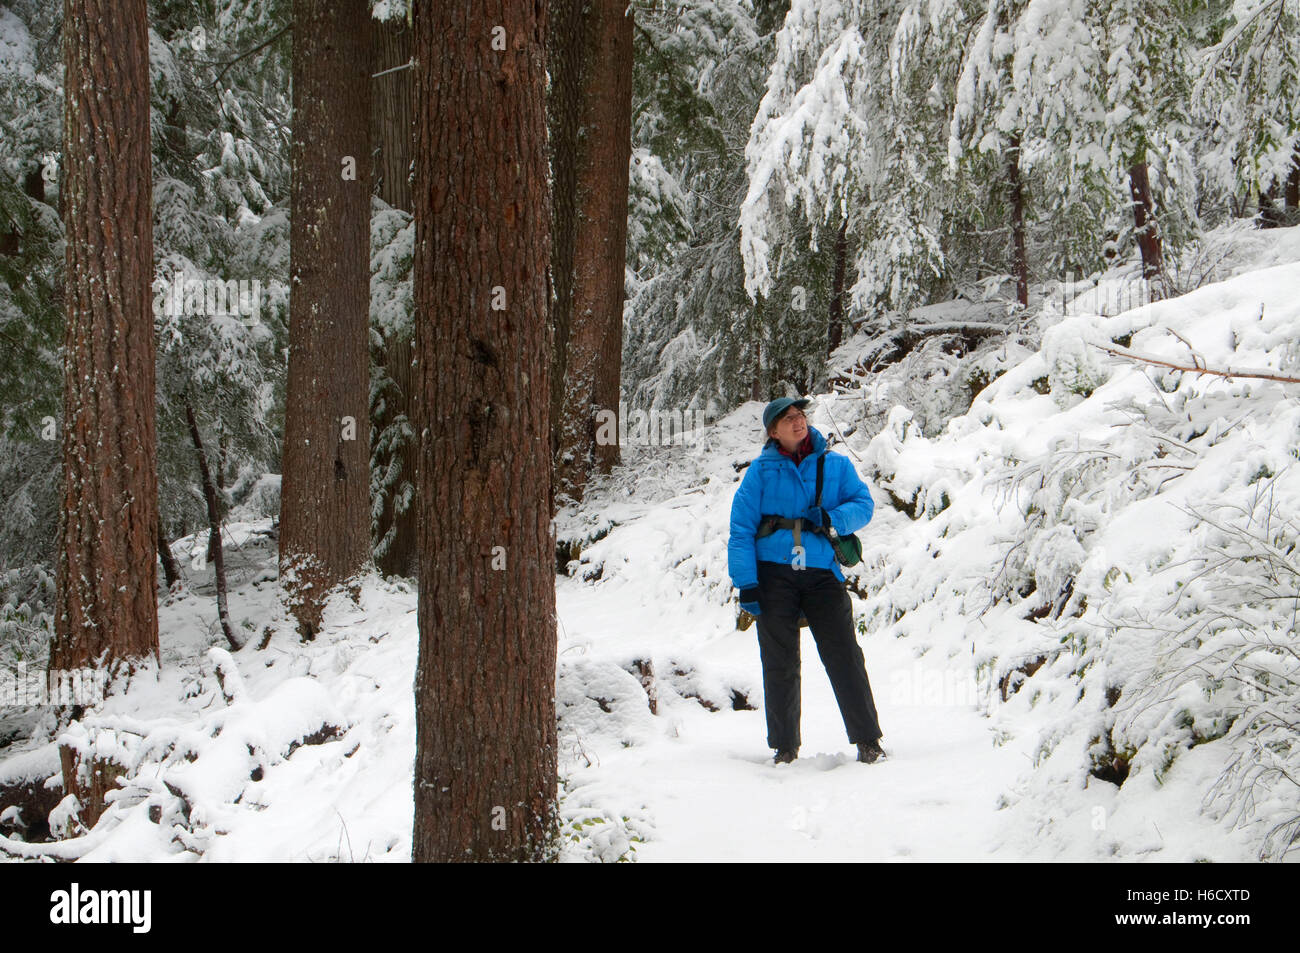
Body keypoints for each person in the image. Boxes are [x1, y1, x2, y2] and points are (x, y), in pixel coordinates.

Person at [727, 397, 885, 765]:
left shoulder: (835, 464)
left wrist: (832, 517)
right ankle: (785, 747)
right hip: (773, 575)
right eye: (787, 419)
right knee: (779, 661)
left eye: (800, 416)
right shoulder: (759, 473)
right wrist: (747, 583)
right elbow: (741, 530)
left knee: (844, 655)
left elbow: (863, 504)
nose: (797, 422)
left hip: (820, 573)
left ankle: (868, 740)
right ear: (773, 431)